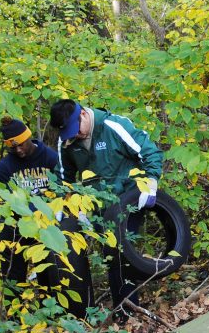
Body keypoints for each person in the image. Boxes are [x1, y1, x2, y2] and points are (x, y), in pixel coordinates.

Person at [49, 99, 164, 316]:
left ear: (83, 114)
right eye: (69, 133)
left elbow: (148, 151)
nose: (75, 135)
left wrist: (150, 181)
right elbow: (64, 178)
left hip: (129, 198)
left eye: (76, 129)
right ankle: (121, 312)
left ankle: (128, 313)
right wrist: (67, 204)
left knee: (120, 251)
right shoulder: (67, 141)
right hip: (100, 207)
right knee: (110, 256)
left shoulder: (113, 126)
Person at [0, 116, 91, 317]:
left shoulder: (50, 158)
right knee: (12, 270)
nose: (18, 150)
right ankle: (15, 317)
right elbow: (8, 201)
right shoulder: (4, 168)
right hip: (21, 223)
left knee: (51, 268)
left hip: (49, 223)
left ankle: (56, 314)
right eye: (13, 148)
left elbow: (64, 188)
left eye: (21, 144)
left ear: (28, 138)